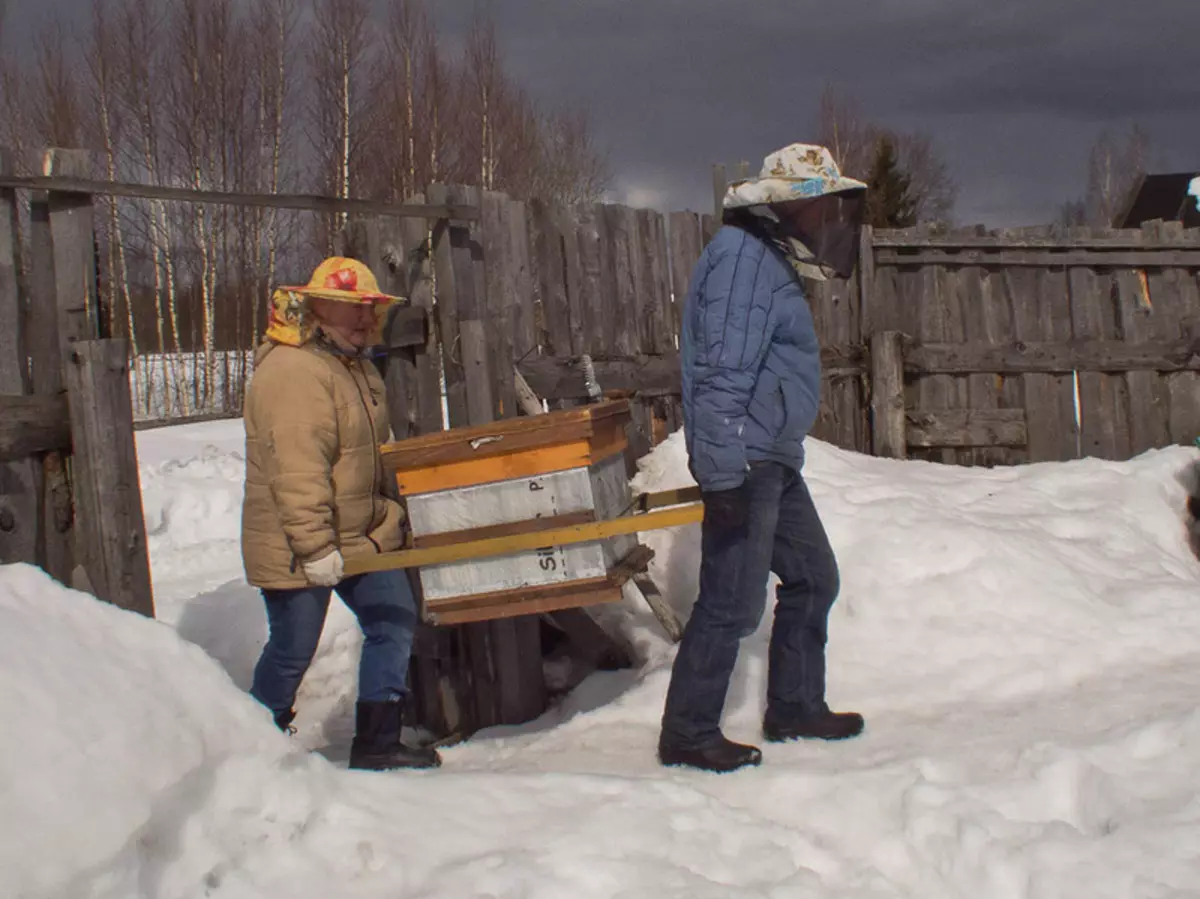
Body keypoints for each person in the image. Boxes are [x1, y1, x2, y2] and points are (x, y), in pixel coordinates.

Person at [659, 144, 869, 773]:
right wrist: (723, 477)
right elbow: (721, 375)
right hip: (744, 461)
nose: (826, 217)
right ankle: (688, 733)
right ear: (785, 204)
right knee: (731, 601)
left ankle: (795, 706)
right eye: (817, 203)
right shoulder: (742, 263)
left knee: (814, 576)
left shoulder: (765, 259)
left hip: (771, 457)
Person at [240, 256, 440, 771]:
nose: (364, 319)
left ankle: (378, 742)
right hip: (299, 541)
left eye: (370, 308)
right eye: (351, 308)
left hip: (360, 534)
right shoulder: (293, 370)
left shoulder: (355, 365)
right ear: (316, 307)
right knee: (292, 649)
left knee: (393, 621)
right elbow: (297, 467)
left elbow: (371, 451)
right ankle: (249, 750)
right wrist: (314, 547)